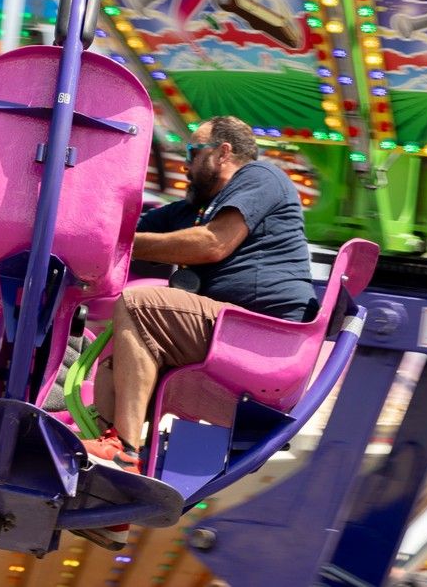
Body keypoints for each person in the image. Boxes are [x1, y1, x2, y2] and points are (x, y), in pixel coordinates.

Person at [83, 115, 317, 473]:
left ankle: (124, 448)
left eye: (193, 152)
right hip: (227, 329)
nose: (185, 164)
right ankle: (108, 473)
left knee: (137, 303)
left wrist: (124, 243)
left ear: (224, 153)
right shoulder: (193, 210)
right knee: (116, 361)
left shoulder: (260, 177)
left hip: (264, 336)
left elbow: (213, 244)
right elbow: (117, 229)